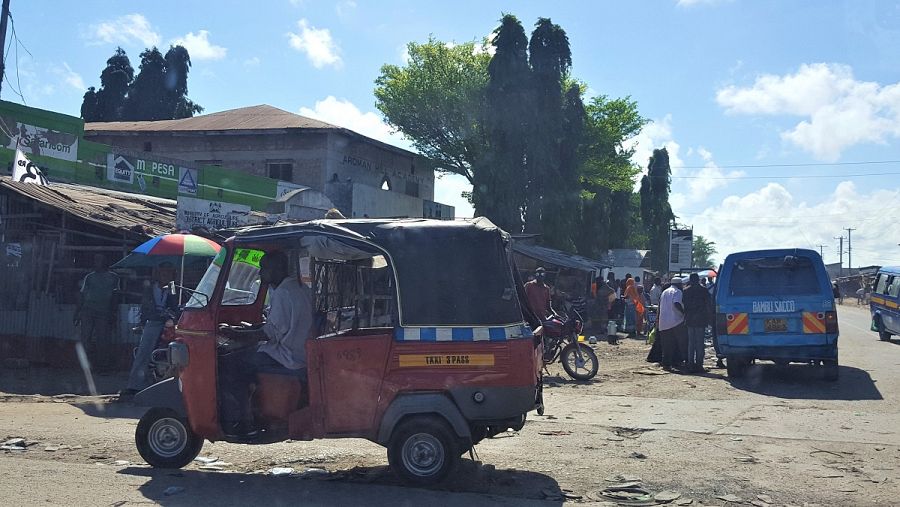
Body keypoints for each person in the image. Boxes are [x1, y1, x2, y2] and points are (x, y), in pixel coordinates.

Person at [218, 251, 313, 438]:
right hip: (298, 351)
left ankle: (245, 420)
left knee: (228, 364)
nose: (261, 274)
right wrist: (244, 330)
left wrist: (236, 335)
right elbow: (275, 326)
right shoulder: (299, 288)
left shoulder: (283, 293)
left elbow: (267, 334)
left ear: (277, 269)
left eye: (264, 268)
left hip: (286, 356)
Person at [120, 262, 178, 399]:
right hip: (153, 322)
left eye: (168, 273)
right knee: (144, 352)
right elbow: (145, 308)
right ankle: (135, 385)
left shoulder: (175, 289)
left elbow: (177, 307)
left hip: (171, 323)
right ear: (158, 274)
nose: (165, 275)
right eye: (163, 272)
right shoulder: (150, 289)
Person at [74, 254, 119, 370]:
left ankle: (102, 366)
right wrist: (77, 312)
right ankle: (85, 366)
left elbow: (116, 296)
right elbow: (82, 295)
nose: (96, 263)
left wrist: (114, 313)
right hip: (87, 311)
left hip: (104, 312)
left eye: (99, 260)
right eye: (95, 260)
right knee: (85, 338)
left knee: (102, 340)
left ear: (105, 262)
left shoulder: (113, 277)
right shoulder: (89, 277)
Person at [682, 273, 710, 373]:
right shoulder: (704, 290)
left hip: (689, 319)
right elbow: (708, 305)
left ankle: (690, 365)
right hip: (700, 320)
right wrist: (709, 318)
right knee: (699, 344)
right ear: (698, 279)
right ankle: (699, 365)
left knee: (691, 344)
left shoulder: (685, 291)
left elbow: (684, 305)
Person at [658, 276, 686, 371]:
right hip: (676, 321)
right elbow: (676, 303)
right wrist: (684, 313)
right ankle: (679, 362)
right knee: (680, 343)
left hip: (664, 322)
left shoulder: (664, 292)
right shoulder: (678, 292)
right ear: (679, 284)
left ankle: (666, 364)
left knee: (667, 345)